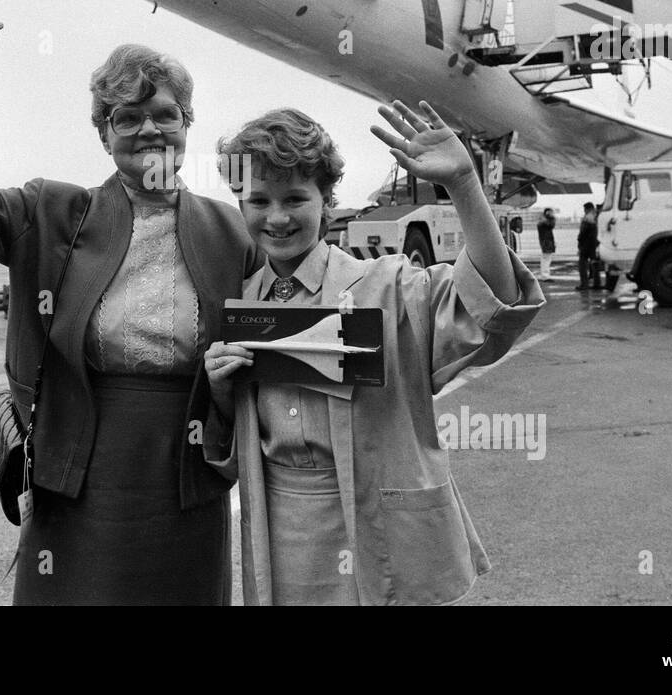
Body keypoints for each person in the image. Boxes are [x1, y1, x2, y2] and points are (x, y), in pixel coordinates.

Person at [0, 0, 259, 605]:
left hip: (189, 470)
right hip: (80, 468)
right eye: (127, 117)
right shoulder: (50, 214)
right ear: (104, 134)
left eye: (166, 114)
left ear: (187, 125)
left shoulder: (233, 230)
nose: (149, 129)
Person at [202, 104, 545, 605]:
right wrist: (220, 389)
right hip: (283, 533)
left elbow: (492, 303)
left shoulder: (388, 284)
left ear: (327, 201)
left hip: (379, 524)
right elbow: (233, 450)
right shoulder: (238, 302)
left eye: (295, 197)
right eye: (258, 200)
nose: (276, 217)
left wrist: (465, 186)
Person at [577, 201, 599, 290]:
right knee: (594, 264)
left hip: (586, 245)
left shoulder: (587, 219)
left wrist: (579, 240)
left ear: (587, 209)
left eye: (584, 209)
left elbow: (583, 233)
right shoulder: (596, 217)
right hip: (595, 244)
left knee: (582, 265)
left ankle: (584, 284)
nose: (584, 211)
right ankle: (597, 283)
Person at [537, 207, 557, 281]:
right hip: (546, 242)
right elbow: (551, 224)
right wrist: (551, 217)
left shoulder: (542, 222)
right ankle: (545, 276)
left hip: (546, 242)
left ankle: (545, 275)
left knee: (546, 259)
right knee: (546, 259)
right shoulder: (544, 223)